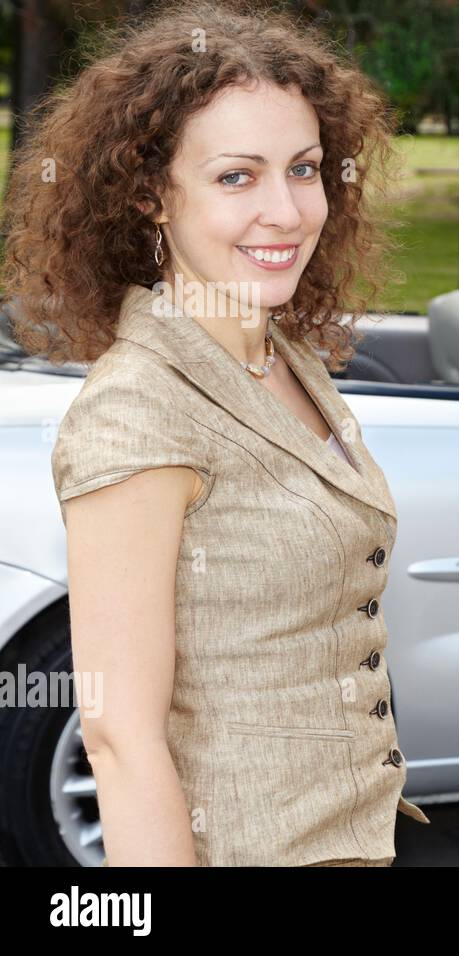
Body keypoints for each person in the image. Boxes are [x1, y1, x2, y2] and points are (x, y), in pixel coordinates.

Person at [2, 0, 428, 866]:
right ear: (152, 195)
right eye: (238, 177)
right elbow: (118, 736)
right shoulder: (139, 409)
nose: (287, 210)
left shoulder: (285, 358)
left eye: (304, 170)